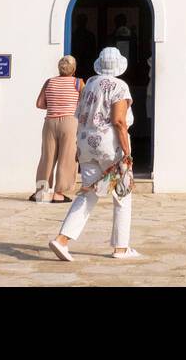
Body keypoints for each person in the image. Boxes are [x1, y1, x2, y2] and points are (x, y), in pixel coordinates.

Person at [49, 46, 141, 260]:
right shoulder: (120, 86)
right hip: (111, 147)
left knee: (87, 194)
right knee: (122, 196)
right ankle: (121, 248)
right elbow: (119, 121)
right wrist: (126, 151)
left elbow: (79, 114)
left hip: (86, 145)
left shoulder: (89, 83)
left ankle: (62, 240)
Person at [31, 56, 82, 203]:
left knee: (47, 157)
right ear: (74, 69)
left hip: (50, 122)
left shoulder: (49, 82)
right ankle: (59, 193)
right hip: (70, 122)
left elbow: (40, 104)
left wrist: (55, 105)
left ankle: (41, 192)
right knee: (67, 158)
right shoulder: (78, 83)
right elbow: (86, 103)